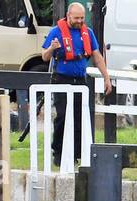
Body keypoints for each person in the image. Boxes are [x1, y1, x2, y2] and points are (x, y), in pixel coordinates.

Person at [41, 3, 113, 169]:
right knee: (63, 117)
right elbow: (44, 57)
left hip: (80, 81)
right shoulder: (56, 31)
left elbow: (97, 57)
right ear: (68, 15)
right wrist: (52, 48)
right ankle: (58, 153)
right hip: (61, 79)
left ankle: (76, 154)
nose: (80, 21)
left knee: (80, 118)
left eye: (82, 18)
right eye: (76, 18)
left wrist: (106, 78)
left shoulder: (88, 33)